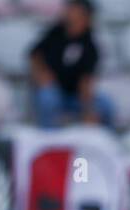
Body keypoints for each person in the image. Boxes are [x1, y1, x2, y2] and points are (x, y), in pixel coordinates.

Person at [29, 0, 113, 129]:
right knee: (47, 98)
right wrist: (42, 75)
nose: (70, 14)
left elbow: (86, 82)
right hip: (54, 89)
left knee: (106, 105)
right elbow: (35, 55)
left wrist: (88, 109)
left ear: (86, 17)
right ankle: (47, 139)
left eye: (75, 11)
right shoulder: (56, 33)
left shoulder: (90, 46)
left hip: (75, 96)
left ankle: (105, 141)